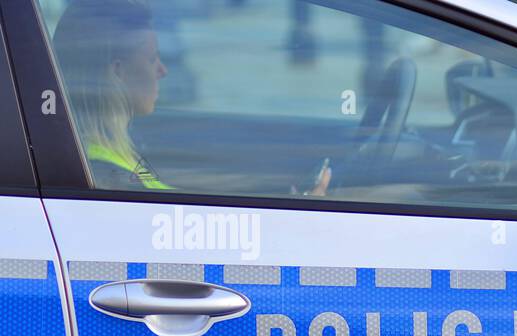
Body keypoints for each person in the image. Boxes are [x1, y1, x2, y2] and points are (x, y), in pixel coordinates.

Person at [51, 0, 330, 195]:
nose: (163, 70)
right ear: (118, 72)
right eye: (151, 59)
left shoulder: (109, 158)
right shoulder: (110, 176)